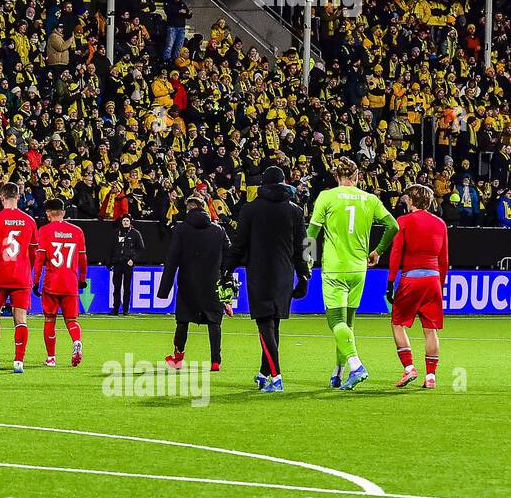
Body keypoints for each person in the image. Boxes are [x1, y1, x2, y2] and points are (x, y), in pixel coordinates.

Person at [306, 157, 398, 390]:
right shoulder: (370, 199)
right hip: (359, 269)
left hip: (335, 268)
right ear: (357, 177)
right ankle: (338, 373)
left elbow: (312, 232)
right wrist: (377, 252)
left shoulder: (326, 196)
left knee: (335, 321)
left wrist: (307, 260)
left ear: (337, 177)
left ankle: (357, 366)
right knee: (348, 324)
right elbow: (393, 226)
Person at [227, 166, 310, 393]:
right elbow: (305, 246)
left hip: (259, 273)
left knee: (265, 324)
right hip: (284, 274)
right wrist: (304, 275)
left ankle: (276, 376)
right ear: (284, 183)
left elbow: (239, 244)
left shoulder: (250, 210)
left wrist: (226, 269)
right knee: (274, 325)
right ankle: (264, 373)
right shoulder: (295, 211)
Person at [387, 184, 447, 390]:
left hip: (411, 278)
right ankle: (431, 376)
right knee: (430, 330)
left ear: (411, 201)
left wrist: (390, 282)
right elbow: (444, 259)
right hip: (433, 280)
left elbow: (396, 254)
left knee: (397, 322)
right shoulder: (440, 224)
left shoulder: (403, 221)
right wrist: (440, 285)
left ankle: (409, 368)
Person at [159, 195, 230, 371]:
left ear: (188, 209)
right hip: (212, 282)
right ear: (204, 207)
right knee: (214, 321)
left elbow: (172, 259)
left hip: (188, 282)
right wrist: (227, 286)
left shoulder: (181, 229)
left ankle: (178, 358)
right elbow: (230, 256)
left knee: (183, 320)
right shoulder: (218, 230)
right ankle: (215, 361)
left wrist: (164, 289)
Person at [0, 181, 37, 373]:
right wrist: (27, 270)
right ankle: (18, 362)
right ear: (19, 197)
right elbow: (33, 253)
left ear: (1, 197)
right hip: (21, 275)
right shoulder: (29, 221)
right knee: (20, 318)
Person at [33, 198, 88, 368]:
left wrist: (36, 281)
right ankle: (76, 341)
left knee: (50, 320)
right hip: (70, 283)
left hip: (52, 283)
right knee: (71, 320)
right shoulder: (77, 231)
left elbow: (39, 258)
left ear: (48, 213)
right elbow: (82, 258)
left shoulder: (44, 230)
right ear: (63, 213)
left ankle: (51, 358)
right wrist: (82, 279)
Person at [109, 215, 144, 315]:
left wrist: (133, 259)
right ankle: (115, 309)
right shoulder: (116, 233)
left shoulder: (135, 233)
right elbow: (112, 248)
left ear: (130, 222)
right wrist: (110, 262)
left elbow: (141, 249)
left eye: (127, 220)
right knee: (116, 287)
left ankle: (125, 310)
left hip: (128, 264)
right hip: (117, 263)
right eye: (123, 220)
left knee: (127, 287)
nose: (125, 222)